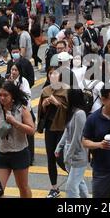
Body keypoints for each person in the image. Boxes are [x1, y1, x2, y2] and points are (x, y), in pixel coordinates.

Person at [0, 81, 35, 198]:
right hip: (1, 153)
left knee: (23, 188)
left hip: (19, 153)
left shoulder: (23, 109)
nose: (2, 98)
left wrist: (15, 123)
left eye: (5, 95)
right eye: (0, 95)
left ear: (13, 96)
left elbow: (31, 130)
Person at [37, 67, 69, 198]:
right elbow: (41, 111)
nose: (52, 76)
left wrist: (57, 104)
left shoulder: (66, 90)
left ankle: (73, 175)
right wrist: (44, 105)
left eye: (55, 73)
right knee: (50, 157)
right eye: (50, 73)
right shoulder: (45, 90)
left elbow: (69, 110)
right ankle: (54, 188)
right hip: (50, 127)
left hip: (62, 127)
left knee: (60, 157)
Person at [55, 89, 89, 198]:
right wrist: (59, 147)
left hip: (78, 155)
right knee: (79, 183)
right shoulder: (73, 112)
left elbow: (77, 137)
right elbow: (67, 131)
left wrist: (68, 155)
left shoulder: (80, 114)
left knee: (71, 187)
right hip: (71, 152)